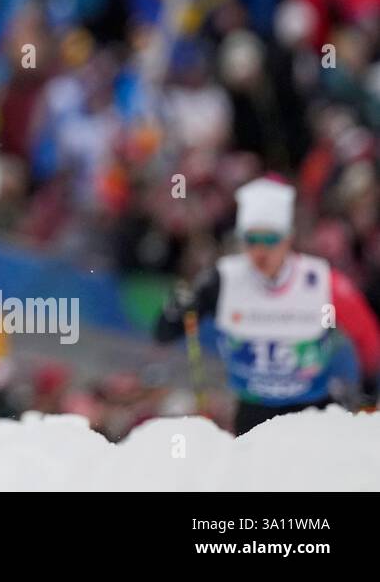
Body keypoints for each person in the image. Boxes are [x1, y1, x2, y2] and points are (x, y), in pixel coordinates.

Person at [156, 177, 380, 435]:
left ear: (287, 239)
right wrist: (175, 310)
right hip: (253, 414)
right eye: (252, 240)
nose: (260, 252)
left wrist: (368, 391)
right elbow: (164, 333)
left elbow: (368, 338)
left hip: (313, 411)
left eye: (270, 240)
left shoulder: (320, 280)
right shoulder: (224, 280)